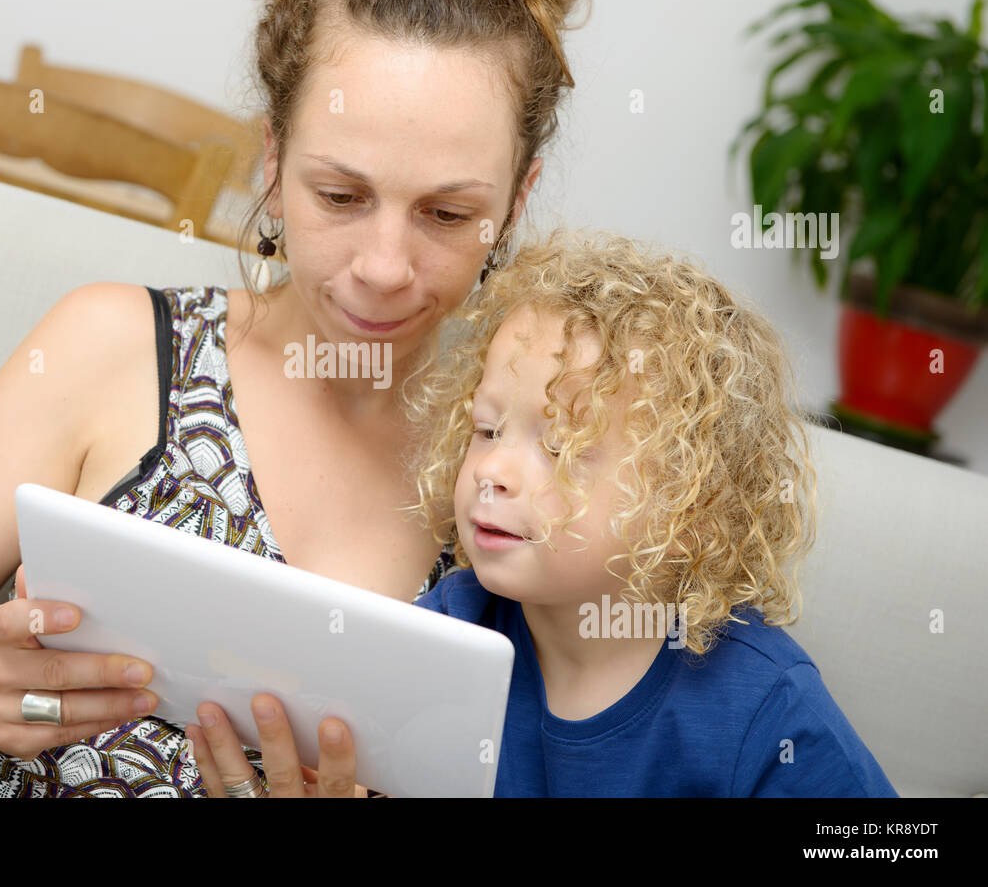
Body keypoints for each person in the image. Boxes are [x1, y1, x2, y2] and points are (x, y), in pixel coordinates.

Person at [0, 0, 590, 797]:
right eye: (339, 196)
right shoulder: (113, 345)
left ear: (516, 200)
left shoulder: (505, 478)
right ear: (273, 159)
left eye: (448, 215)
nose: (383, 265)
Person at [191, 229, 899, 797]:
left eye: (563, 448)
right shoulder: (450, 629)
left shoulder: (765, 708)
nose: (493, 471)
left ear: (693, 506)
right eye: (488, 429)